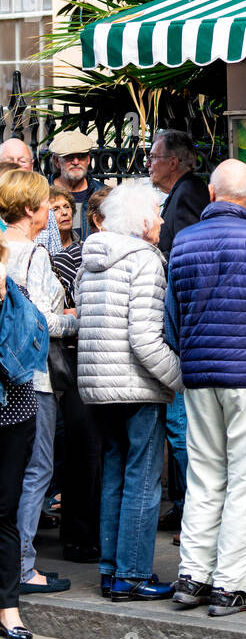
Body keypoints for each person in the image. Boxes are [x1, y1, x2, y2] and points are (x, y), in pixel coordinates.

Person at [164, 159, 246, 617]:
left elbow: (172, 320)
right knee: (245, 481)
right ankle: (232, 585)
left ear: (212, 192)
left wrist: (192, 356)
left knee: (203, 475)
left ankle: (192, 577)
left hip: (199, 375)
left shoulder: (182, 241)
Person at [76, 183, 181, 601]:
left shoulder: (92, 259)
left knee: (116, 474)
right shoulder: (146, 261)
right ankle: (133, 574)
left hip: (100, 387)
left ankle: (110, 570)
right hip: (138, 386)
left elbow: (86, 322)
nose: (160, 221)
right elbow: (145, 339)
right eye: (156, 214)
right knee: (142, 480)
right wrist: (177, 377)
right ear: (140, 221)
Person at [0, 169, 77, 594]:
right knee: (37, 467)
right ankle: (24, 565)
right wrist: (74, 320)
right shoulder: (35, 255)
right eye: (45, 203)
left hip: (1, 373)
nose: (50, 208)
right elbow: (43, 323)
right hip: (32, 377)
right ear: (30, 210)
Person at [147, 128, 210, 532]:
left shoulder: (188, 193)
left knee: (181, 425)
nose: (149, 163)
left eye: (154, 156)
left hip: (183, 325)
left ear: (174, 161)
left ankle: (191, 507)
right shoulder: (182, 191)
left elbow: (185, 253)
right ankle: (185, 503)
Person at [50, 186, 112, 564]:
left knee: (98, 452)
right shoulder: (67, 260)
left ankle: (93, 533)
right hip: (77, 362)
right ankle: (78, 535)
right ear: (98, 220)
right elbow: (63, 311)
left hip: (104, 361)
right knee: (83, 452)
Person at [0, 236, 51, 639]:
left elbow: (34, 345)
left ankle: (8, 608)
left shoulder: (17, 298)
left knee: (5, 512)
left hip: (14, 414)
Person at [0, 140, 61, 255]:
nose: (16, 165)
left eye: (22, 161)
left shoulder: (46, 210)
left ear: (31, 165)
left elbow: (56, 257)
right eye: (9, 161)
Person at [49, 130, 105, 240]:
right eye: (69, 157)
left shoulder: (102, 194)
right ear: (56, 160)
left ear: (88, 159)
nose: (75, 162)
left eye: (81, 156)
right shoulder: (42, 192)